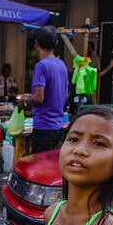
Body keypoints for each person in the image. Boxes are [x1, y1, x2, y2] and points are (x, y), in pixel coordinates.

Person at [17, 26, 70, 155]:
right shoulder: (61, 64)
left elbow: (39, 98)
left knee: (40, 167)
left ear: (36, 44)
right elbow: (65, 94)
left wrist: (25, 101)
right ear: (56, 43)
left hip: (44, 126)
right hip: (58, 126)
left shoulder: (42, 66)